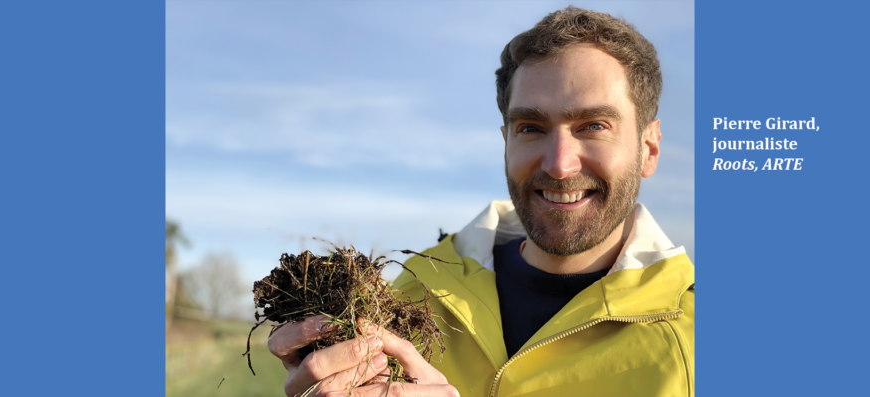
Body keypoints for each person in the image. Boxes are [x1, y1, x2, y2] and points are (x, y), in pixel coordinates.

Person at [267, 6, 695, 397]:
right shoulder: (417, 291)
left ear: (649, 150)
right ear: (506, 141)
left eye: (594, 125)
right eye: (531, 127)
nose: (560, 165)